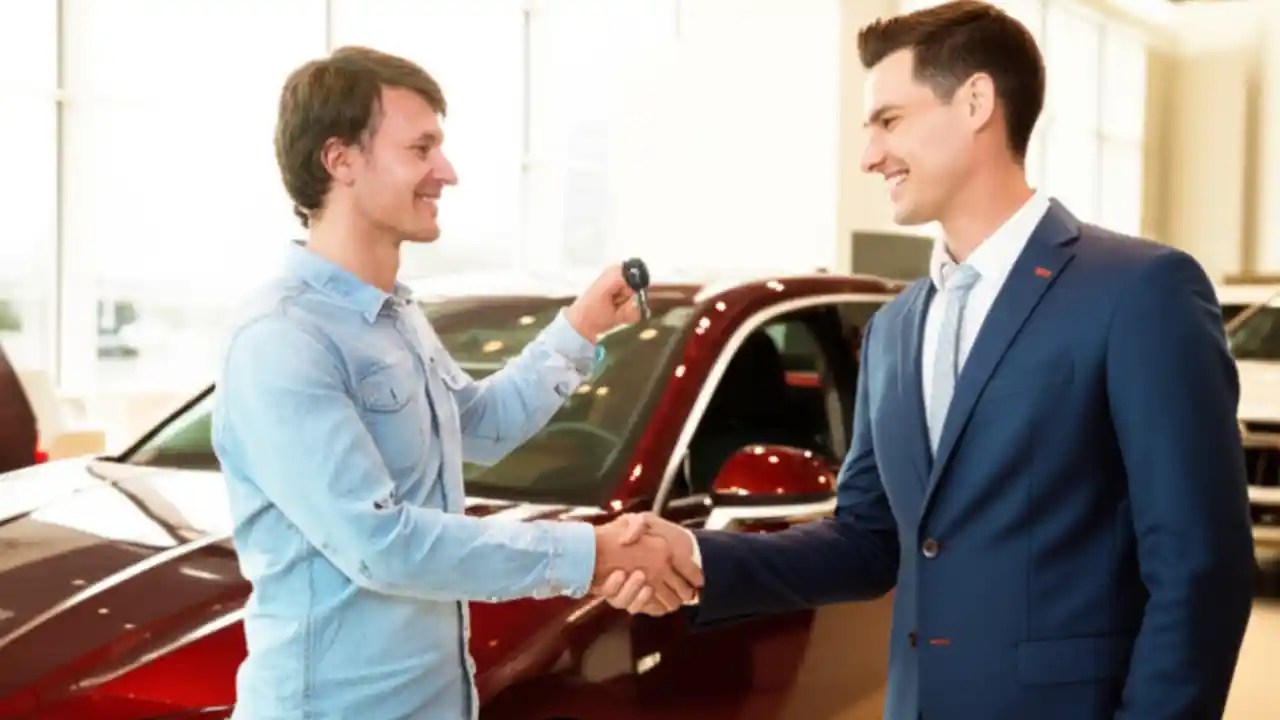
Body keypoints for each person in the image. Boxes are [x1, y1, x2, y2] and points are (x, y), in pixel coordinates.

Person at [601, 2, 1256, 718]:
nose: (869, 155)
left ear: (976, 102)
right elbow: (868, 540)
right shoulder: (896, 327)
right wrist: (696, 557)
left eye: (889, 120)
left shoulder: (1138, 290)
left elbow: (1201, 570)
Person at [211, 46, 702, 720]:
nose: (447, 172)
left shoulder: (397, 315)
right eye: (421, 149)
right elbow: (380, 546)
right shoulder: (282, 338)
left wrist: (580, 327)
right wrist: (589, 552)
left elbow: (482, 427)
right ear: (340, 160)